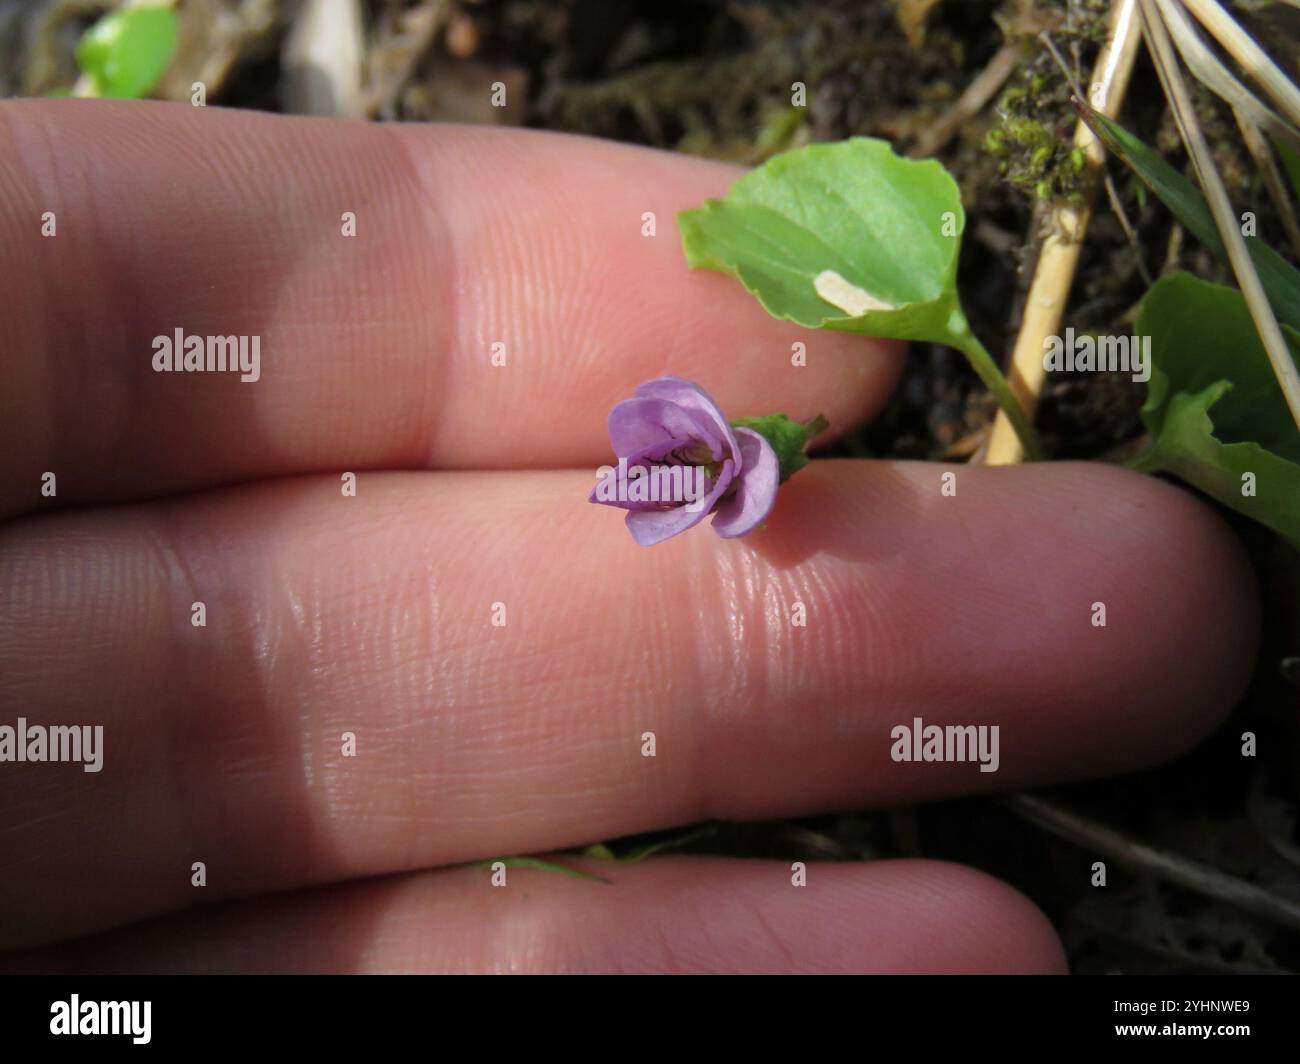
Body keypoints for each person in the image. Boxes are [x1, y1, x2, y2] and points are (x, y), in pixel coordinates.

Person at [0, 100, 1257, 973]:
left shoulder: (728, 461)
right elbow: (672, 463)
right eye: (699, 467)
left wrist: (739, 460)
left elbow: (699, 460)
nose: (685, 475)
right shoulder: (704, 467)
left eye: (709, 465)